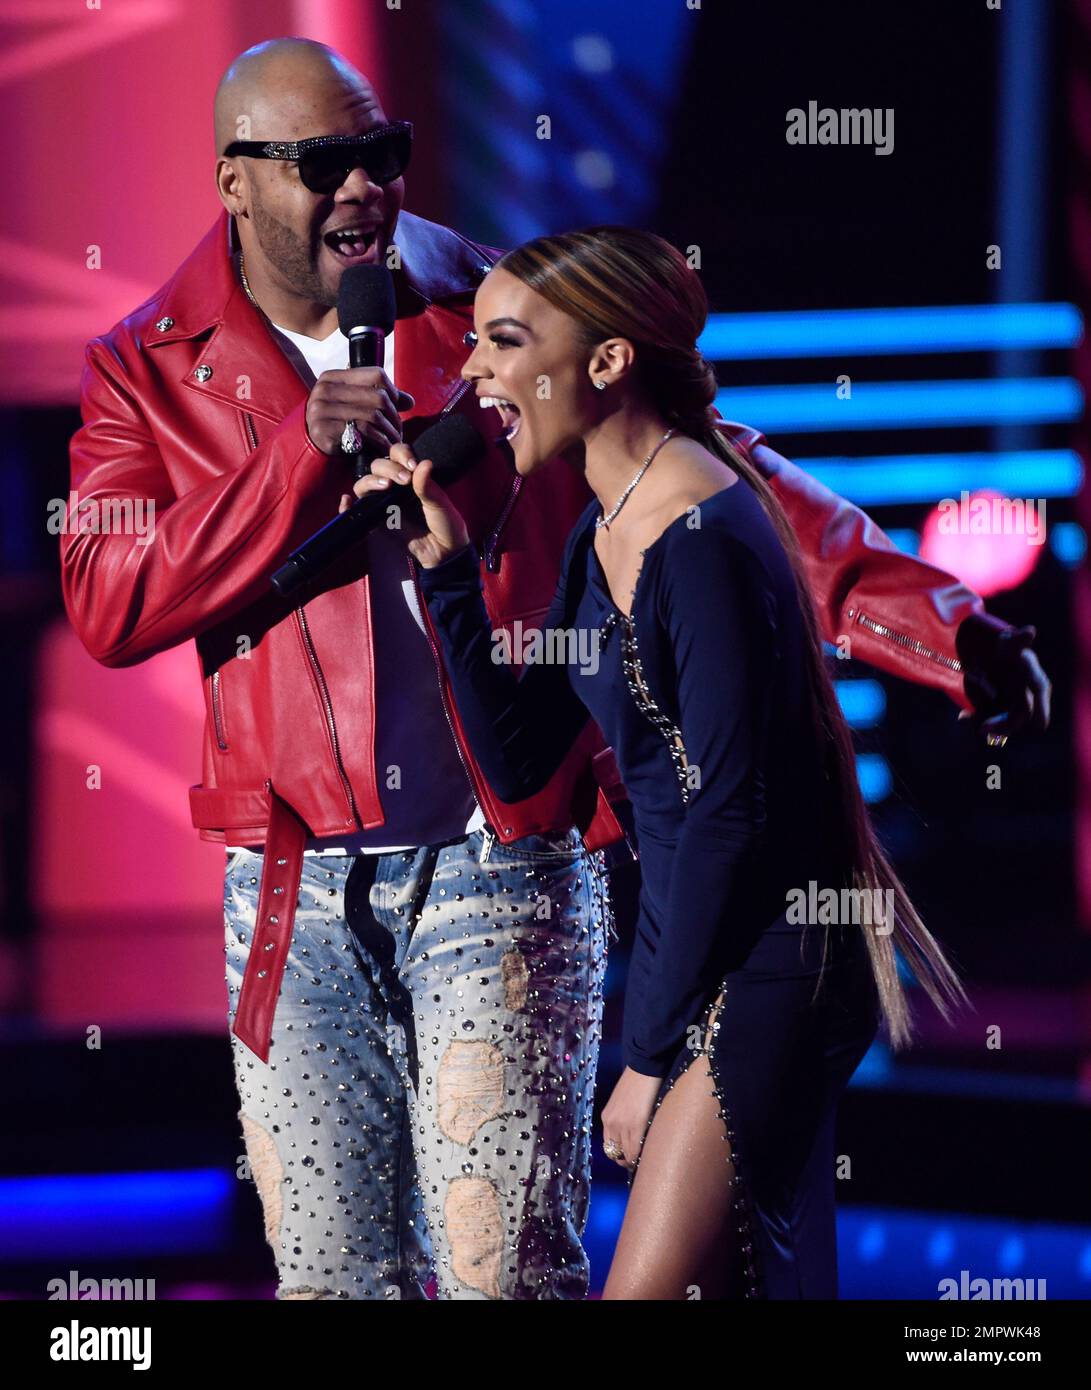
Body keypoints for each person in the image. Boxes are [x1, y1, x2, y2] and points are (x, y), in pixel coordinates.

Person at [62, 37, 1048, 1301]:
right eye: (325, 164)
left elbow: (704, 471)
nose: (366, 186)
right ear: (235, 181)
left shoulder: (480, 306)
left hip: (501, 856)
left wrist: (932, 618)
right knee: (333, 1286)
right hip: (291, 888)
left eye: (384, 154)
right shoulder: (142, 367)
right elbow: (109, 592)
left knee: (504, 1278)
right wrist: (294, 462)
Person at [350, 226, 988, 1299]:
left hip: (774, 960)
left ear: (605, 362)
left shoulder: (701, 535)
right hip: (714, 954)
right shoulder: (605, 526)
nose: (469, 373)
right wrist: (450, 581)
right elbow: (516, 764)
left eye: (504, 342)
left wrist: (644, 1060)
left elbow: (728, 814)